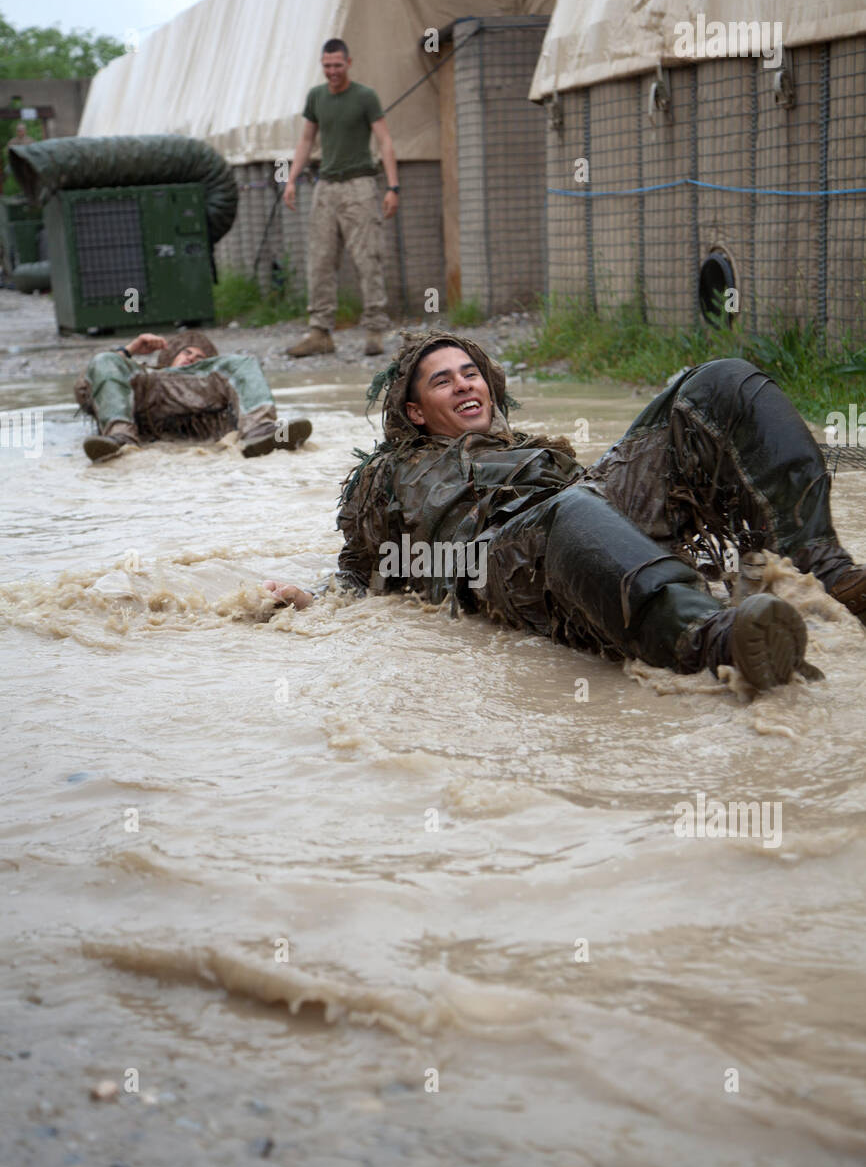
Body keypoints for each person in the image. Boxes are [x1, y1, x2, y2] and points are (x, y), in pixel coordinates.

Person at [264, 330, 866, 692]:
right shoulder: (386, 476)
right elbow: (357, 571)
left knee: (717, 382)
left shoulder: (537, 451)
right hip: (496, 559)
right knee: (571, 509)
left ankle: (821, 571)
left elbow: (599, 492)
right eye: (443, 381)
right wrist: (309, 601)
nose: (465, 385)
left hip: (585, 513)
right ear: (416, 411)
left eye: (471, 373)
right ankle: (712, 638)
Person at [283, 38, 398, 360]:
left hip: (359, 186)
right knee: (319, 260)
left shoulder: (365, 96)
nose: (332, 71)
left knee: (368, 258)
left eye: (337, 65)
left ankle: (375, 328)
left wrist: (393, 186)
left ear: (349, 63)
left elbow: (385, 140)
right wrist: (291, 180)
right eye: (327, 66)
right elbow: (306, 139)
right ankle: (320, 332)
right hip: (325, 186)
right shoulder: (316, 97)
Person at [74, 330, 313, 463]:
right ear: (169, 358)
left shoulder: (214, 382)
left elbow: (236, 373)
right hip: (148, 390)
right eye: (186, 353)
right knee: (104, 360)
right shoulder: (141, 375)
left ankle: (260, 431)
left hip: (201, 394)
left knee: (244, 361)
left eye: (199, 358)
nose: (191, 358)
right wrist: (130, 350)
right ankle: (120, 439)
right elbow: (87, 386)